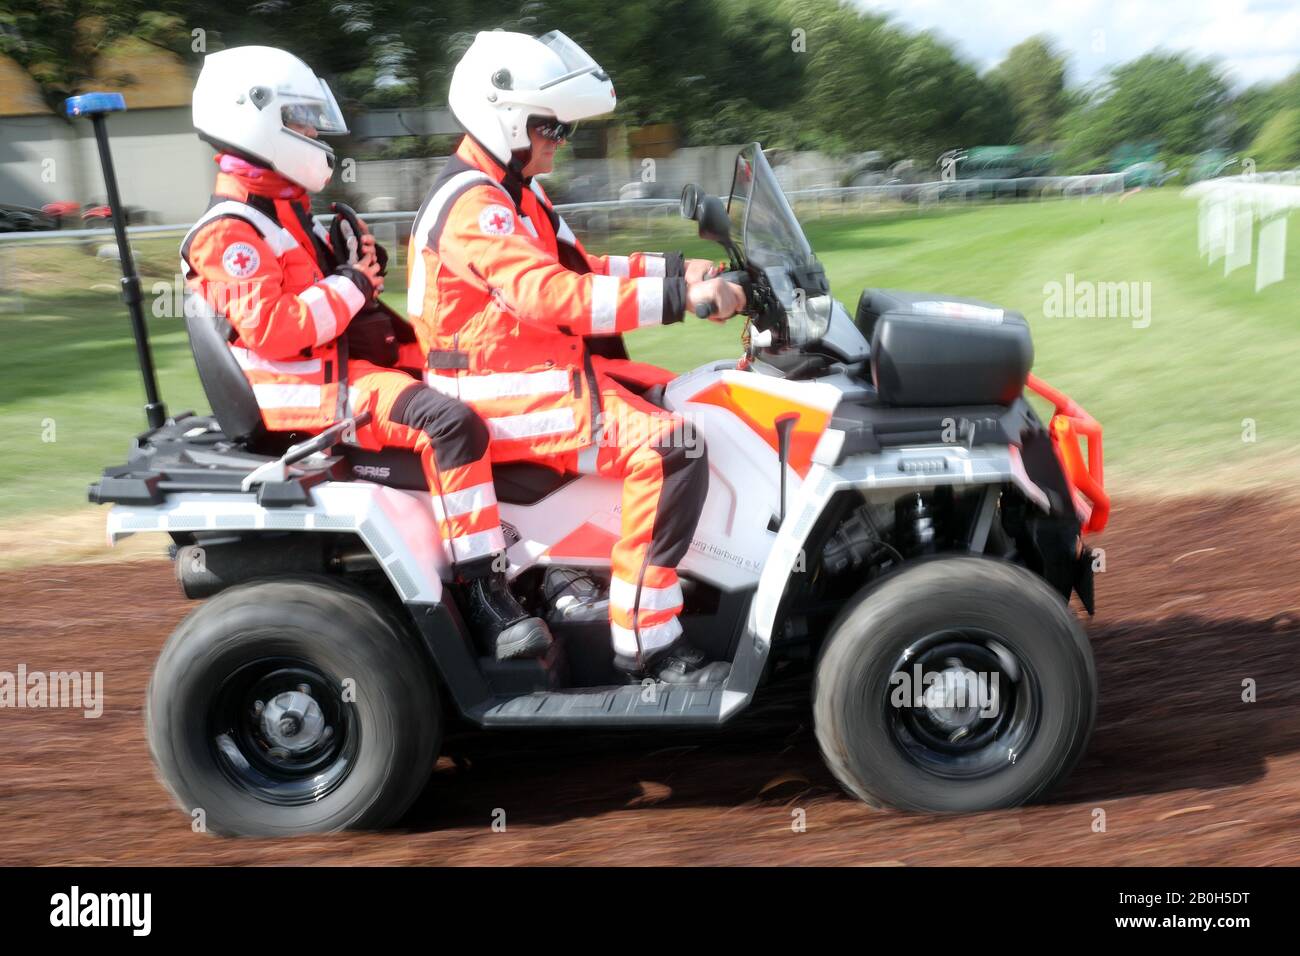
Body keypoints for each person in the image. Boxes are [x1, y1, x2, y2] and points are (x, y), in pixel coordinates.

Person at [185, 45, 551, 661]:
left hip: (339, 375)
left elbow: (330, 306)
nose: (313, 133)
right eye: (300, 120)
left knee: (487, 387)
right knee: (450, 424)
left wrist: (355, 271)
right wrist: (352, 282)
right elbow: (277, 329)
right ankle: (483, 595)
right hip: (308, 395)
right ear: (253, 118)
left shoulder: (282, 213)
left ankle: (547, 563)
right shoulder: (231, 230)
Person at [407, 30, 747, 684]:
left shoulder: (515, 192)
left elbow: (584, 267)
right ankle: (647, 640)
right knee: (673, 448)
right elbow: (552, 294)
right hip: (491, 391)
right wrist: (684, 299)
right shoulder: (474, 205)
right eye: (550, 128)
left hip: (537, 376)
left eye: (562, 129)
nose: (560, 141)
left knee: (685, 394)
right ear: (504, 120)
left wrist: (685, 268)